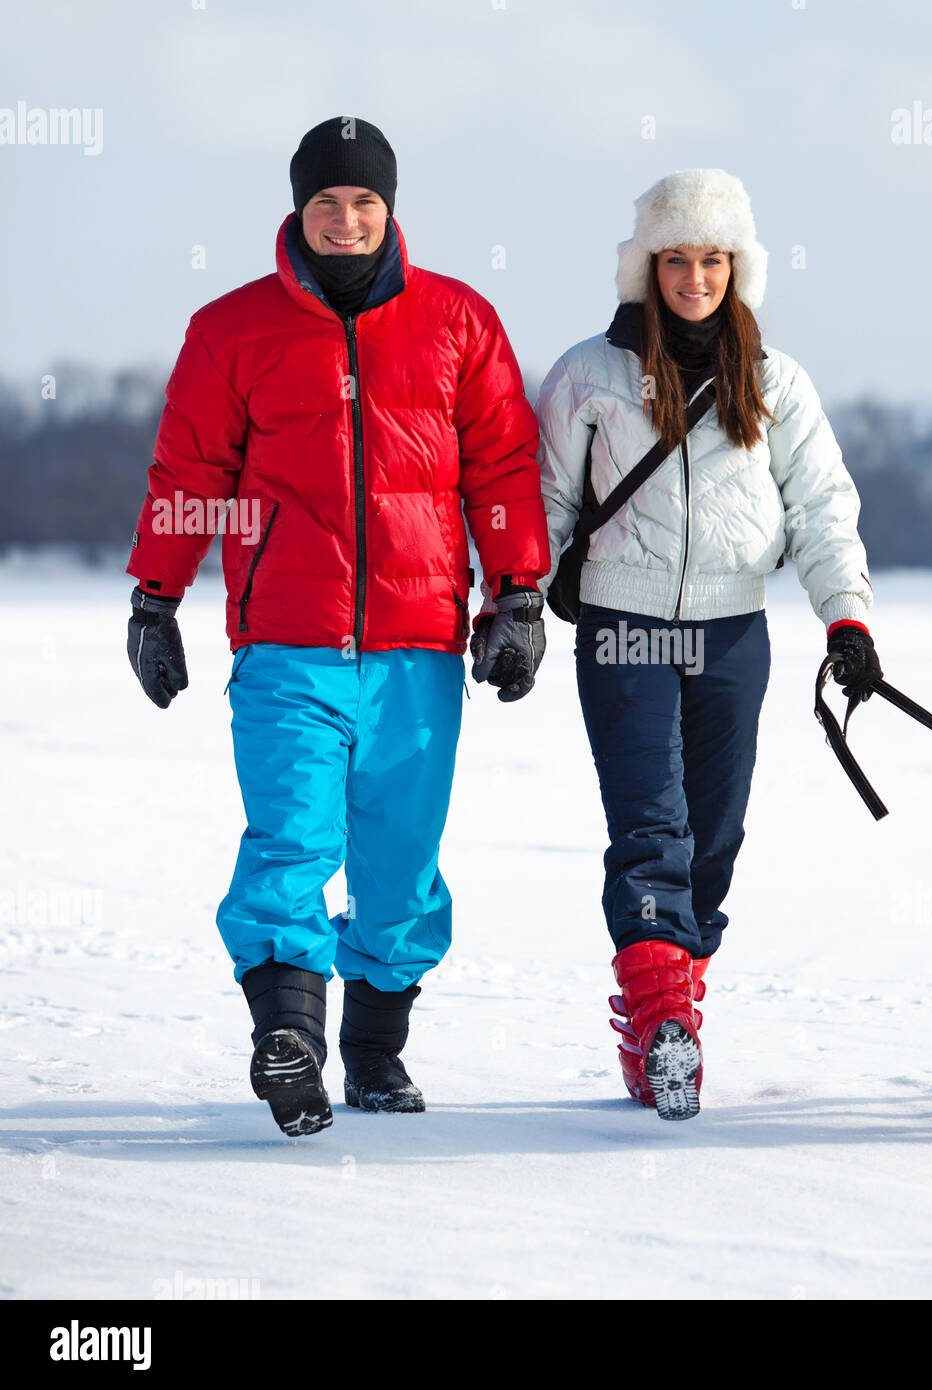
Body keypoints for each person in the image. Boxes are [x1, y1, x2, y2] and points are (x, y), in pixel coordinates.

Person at [125, 116, 549, 1136]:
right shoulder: (232, 328)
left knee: (399, 866)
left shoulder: (459, 321)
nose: (346, 218)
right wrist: (155, 593)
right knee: (291, 843)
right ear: (298, 208)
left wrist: (519, 594)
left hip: (416, 650)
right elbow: (191, 474)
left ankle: (372, 1050)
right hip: (286, 641)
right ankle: (291, 1040)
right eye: (327, 201)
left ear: (390, 208)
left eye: (364, 201)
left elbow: (500, 469)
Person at [535, 169, 882, 1122]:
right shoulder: (588, 375)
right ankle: (662, 1026)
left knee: (713, 838)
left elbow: (820, 507)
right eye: (677, 259)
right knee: (652, 829)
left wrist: (845, 617)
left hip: (734, 630)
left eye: (713, 259)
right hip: (625, 624)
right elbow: (546, 508)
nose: (694, 277)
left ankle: (665, 1024)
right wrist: (520, 605)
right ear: (648, 266)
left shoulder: (774, 383)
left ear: (739, 269)